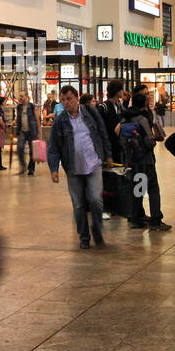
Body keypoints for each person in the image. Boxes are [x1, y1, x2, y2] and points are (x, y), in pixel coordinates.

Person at [47, 85, 112, 250]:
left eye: (69, 99)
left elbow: (103, 133)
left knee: (96, 200)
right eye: (63, 100)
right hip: (73, 168)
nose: (66, 103)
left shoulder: (90, 112)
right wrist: (54, 169)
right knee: (78, 205)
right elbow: (53, 147)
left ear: (77, 97)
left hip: (94, 163)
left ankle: (97, 230)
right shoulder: (60, 121)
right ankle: (84, 236)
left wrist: (108, 154)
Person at [120, 91, 170, 231]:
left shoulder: (125, 118)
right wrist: (153, 141)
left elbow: (119, 136)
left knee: (138, 189)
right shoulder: (141, 119)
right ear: (143, 104)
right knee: (153, 188)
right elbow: (149, 140)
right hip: (145, 160)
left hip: (132, 160)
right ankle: (155, 220)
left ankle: (136, 218)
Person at [13, 90, 39, 176]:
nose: (20, 98)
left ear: (27, 96)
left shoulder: (32, 106)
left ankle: (31, 169)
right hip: (22, 131)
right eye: (20, 96)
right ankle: (23, 166)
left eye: (22, 96)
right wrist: (15, 121)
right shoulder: (19, 107)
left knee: (32, 151)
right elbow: (18, 117)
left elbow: (37, 119)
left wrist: (38, 132)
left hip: (32, 131)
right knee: (19, 148)